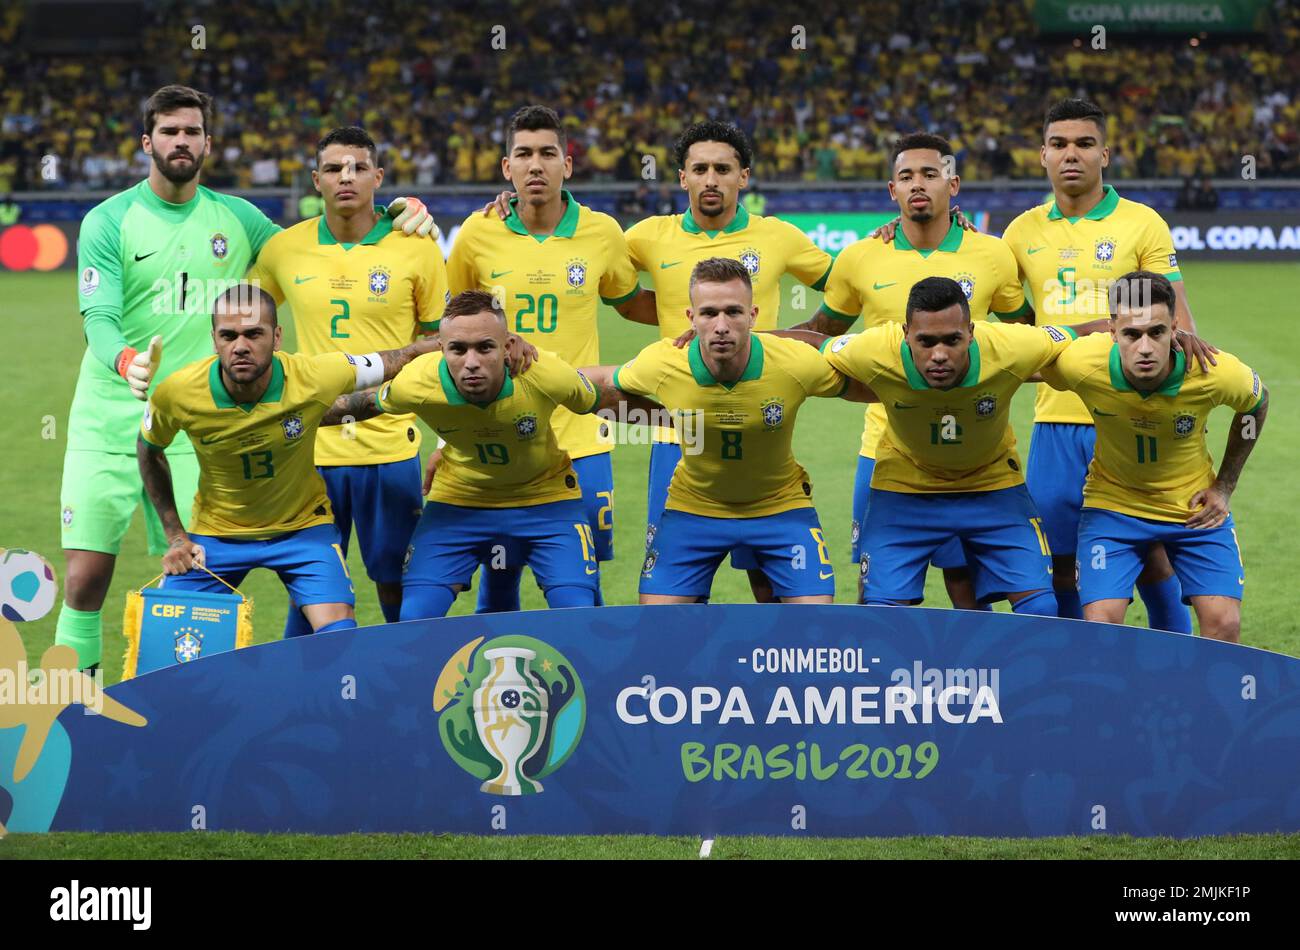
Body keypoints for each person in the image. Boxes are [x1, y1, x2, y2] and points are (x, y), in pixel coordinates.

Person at [53, 84, 435, 671]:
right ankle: (70, 710)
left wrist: (390, 211)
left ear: (208, 142)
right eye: (169, 131)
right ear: (146, 141)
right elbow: (98, 317)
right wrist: (127, 362)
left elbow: (319, 245)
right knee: (83, 578)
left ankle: (185, 702)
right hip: (110, 412)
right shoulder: (109, 221)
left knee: (190, 567)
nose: (181, 142)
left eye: (191, 132)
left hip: (207, 421)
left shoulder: (238, 218)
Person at [789, 132, 1031, 608]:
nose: (918, 184)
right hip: (885, 450)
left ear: (953, 184)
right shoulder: (860, 256)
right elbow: (820, 331)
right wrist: (745, 341)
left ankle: (973, 680)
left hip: (974, 451)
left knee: (970, 590)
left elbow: (1028, 335)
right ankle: (883, 681)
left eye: (930, 174)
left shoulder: (993, 254)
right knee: (875, 590)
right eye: (906, 176)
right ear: (891, 190)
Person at [1001, 98, 1202, 630]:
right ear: (1042, 155)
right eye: (1060, 144)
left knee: (1151, 550)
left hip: (1130, 416)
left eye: (1085, 144)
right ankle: (1077, 676)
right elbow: (1006, 318)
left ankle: (1174, 667)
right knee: (1062, 561)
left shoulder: (1142, 223)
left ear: (1105, 154)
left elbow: (1180, 323)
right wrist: (903, 223)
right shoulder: (1020, 232)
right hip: (1056, 420)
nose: (1072, 154)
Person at [136, 285, 440, 634]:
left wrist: (448, 346)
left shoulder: (313, 375)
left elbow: (395, 360)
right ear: (214, 339)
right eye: (228, 335)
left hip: (302, 531)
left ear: (277, 336)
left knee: (338, 635)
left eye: (254, 334)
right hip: (216, 535)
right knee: (163, 635)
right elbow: (149, 448)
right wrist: (176, 536)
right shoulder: (178, 393)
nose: (240, 346)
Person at [447, 105, 656, 611]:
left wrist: (705, 323)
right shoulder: (476, 234)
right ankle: (489, 688)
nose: (535, 165)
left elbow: (630, 303)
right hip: (497, 432)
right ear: (506, 168)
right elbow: (449, 332)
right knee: (498, 580)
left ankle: (594, 683)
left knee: (582, 582)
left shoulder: (603, 232)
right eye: (523, 154)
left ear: (568, 163)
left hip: (581, 433)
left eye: (546, 154)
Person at [324, 291, 640, 619]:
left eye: (485, 347)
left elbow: (606, 399)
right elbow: (361, 405)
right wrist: (284, 416)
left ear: (508, 346)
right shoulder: (418, 381)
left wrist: (680, 419)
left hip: (547, 501)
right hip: (459, 502)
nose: (471, 362)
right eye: (458, 349)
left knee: (578, 614)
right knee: (415, 619)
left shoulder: (544, 373)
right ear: (441, 349)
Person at [247, 126, 449, 635]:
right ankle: (306, 694)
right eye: (334, 168)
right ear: (316, 180)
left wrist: (447, 437)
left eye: (359, 167)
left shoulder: (417, 247)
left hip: (389, 446)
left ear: (378, 177)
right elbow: (245, 319)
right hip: (311, 449)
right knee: (310, 588)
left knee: (396, 581)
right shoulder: (283, 249)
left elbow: (440, 348)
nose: (347, 177)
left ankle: (405, 682)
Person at [625, 121, 835, 603]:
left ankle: (773, 667)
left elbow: (846, 287)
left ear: (744, 176)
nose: (711, 179)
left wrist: (787, 338)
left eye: (723, 168)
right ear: (682, 178)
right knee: (678, 581)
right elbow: (610, 287)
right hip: (679, 428)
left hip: (760, 415)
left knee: (768, 577)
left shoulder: (778, 236)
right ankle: (689, 675)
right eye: (699, 169)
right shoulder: (648, 237)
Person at [585, 258, 873, 605]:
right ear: (691, 319)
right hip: (693, 508)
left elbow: (871, 387)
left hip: (780, 507)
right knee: (657, 628)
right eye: (708, 314)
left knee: (813, 626)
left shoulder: (793, 362)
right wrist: (661, 420)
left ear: (752, 316)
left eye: (733, 313)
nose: (721, 325)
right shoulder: (665, 362)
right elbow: (595, 384)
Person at [817, 277, 1101, 615]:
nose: (939, 355)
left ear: (972, 332)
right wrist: (750, 341)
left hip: (993, 487)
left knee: (1040, 607)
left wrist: (1147, 332)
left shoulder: (1012, 345)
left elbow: (1081, 332)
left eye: (952, 340)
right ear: (906, 333)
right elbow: (810, 345)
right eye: (926, 341)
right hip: (904, 490)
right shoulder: (874, 348)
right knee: (882, 614)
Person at [1039, 271, 1266, 641]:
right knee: (1100, 626)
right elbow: (1015, 363)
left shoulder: (1213, 370)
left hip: (1193, 512)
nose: (1145, 347)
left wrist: (1224, 486)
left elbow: (1257, 403)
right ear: (1112, 332)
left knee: (1224, 623)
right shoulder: (1082, 362)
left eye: (1156, 332)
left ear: (1175, 327)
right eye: (1131, 334)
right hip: (1112, 509)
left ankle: (1200, 699)